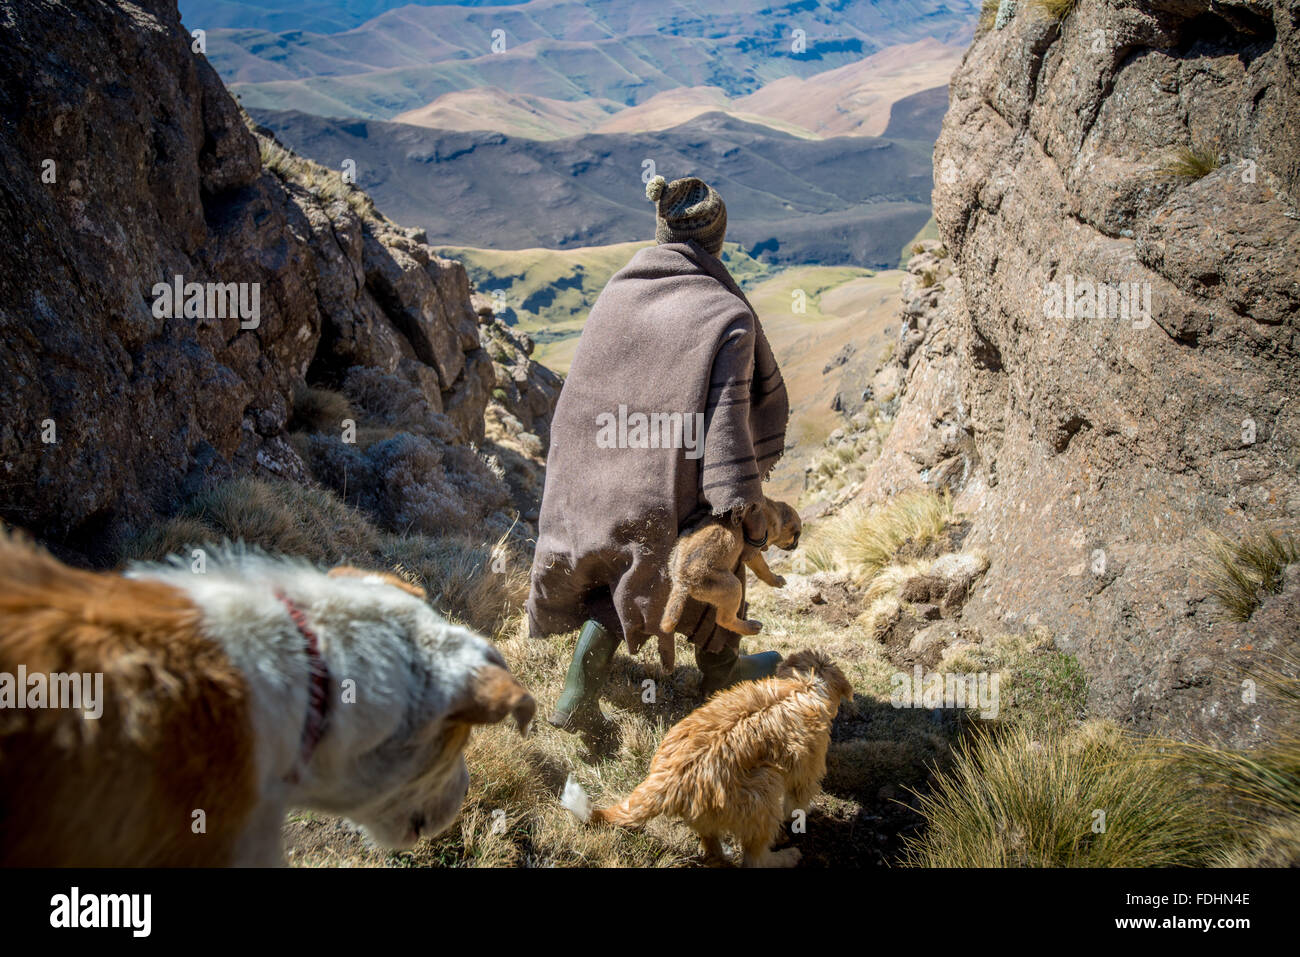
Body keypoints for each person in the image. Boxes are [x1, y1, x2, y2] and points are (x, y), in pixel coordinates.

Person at [526, 173, 790, 737]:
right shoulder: (726, 315)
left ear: (662, 229)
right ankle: (722, 673)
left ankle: (576, 694)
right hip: (659, 490)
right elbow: (723, 431)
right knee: (714, 548)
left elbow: (586, 399)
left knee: (624, 565)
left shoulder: (619, 289)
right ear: (718, 239)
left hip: (593, 482)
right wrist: (741, 505)